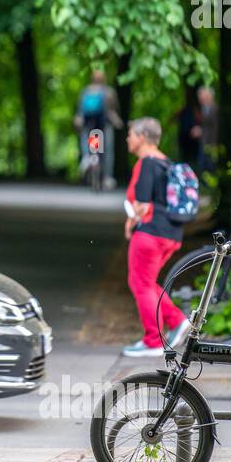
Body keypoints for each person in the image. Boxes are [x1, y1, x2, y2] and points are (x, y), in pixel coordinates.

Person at [122, 117, 189, 358]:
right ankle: (178, 321)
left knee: (140, 282)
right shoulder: (166, 163)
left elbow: (141, 203)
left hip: (150, 233)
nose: (128, 139)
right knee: (147, 282)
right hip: (171, 233)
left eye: (130, 134)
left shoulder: (147, 163)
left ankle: (153, 340)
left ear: (141, 137)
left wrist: (131, 221)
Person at [74, 70, 123, 189]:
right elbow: (115, 108)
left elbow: (80, 110)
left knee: (92, 145)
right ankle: (107, 177)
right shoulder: (109, 91)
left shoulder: (86, 91)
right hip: (105, 124)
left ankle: (87, 157)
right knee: (107, 151)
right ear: (104, 79)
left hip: (90, 125)